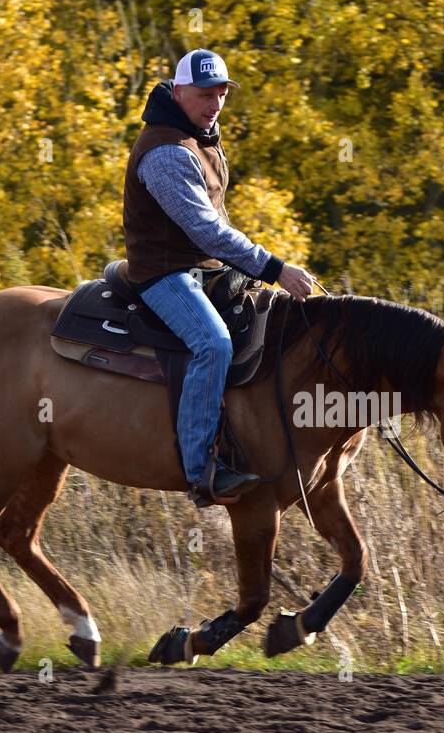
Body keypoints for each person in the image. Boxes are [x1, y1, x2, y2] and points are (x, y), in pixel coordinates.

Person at [122, 48, 315, 504]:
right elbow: (207, 230)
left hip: (206, 268)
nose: (215, 104)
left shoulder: (200, 133)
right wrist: (274, 269)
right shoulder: (166, 150)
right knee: (213, 344)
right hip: (165, 273)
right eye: (207, 94)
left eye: (222, 95)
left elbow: (217, 224)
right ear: (181, 90)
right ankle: (200, 468)